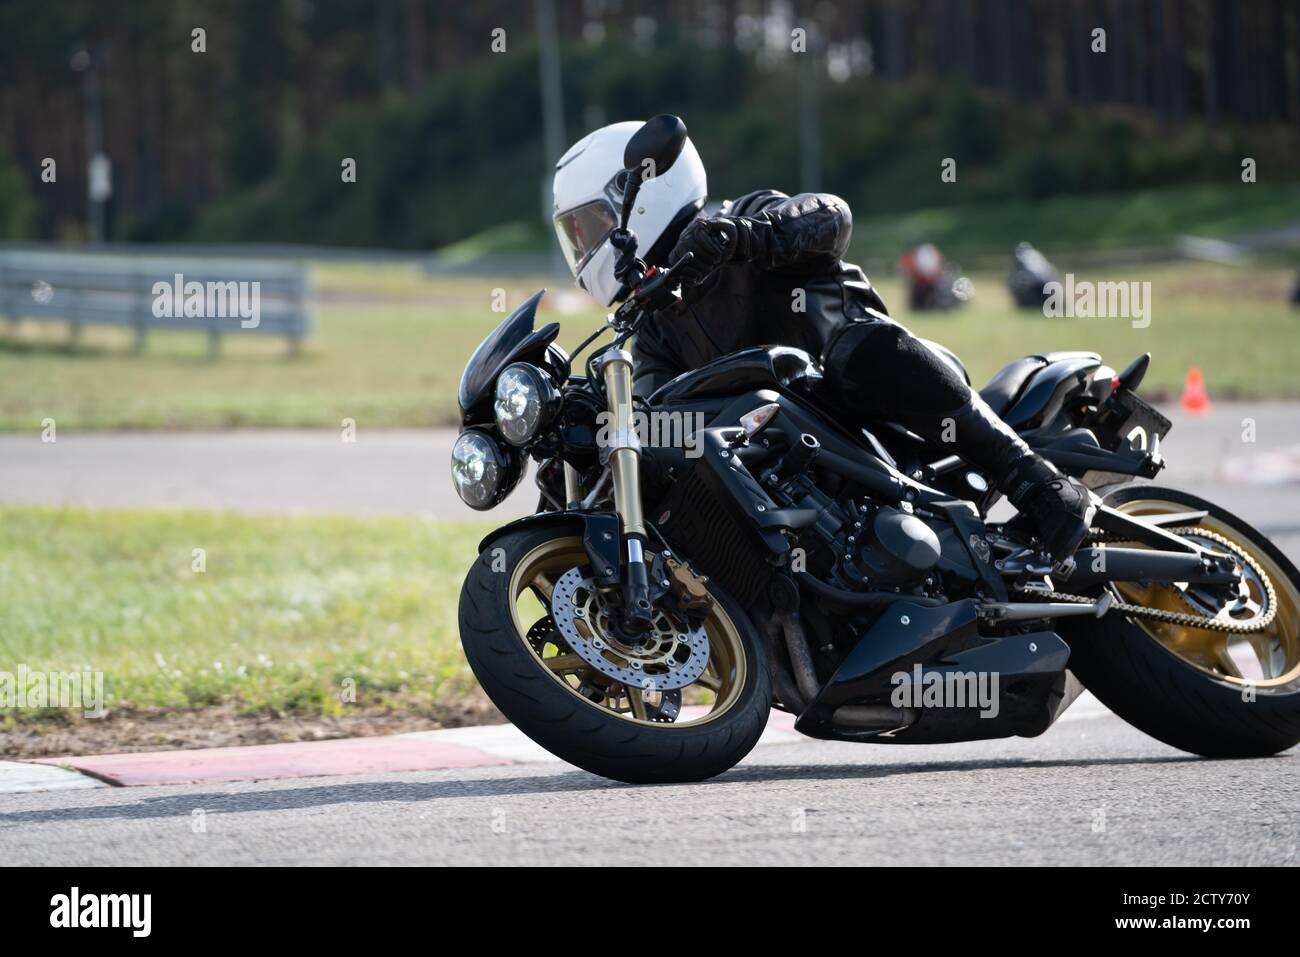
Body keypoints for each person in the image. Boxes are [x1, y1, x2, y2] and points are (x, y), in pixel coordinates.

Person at [551, 121, 1091, 562]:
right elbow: (664, 421)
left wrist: (747, 238)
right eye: (574, 234)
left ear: (636, 197)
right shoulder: (654, 328)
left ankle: (1037, 483)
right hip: (800, 465)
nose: (584, 247)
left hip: (875, 402)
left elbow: (830, 216)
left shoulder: (740, 217)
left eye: (589, 225)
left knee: (859, 352)